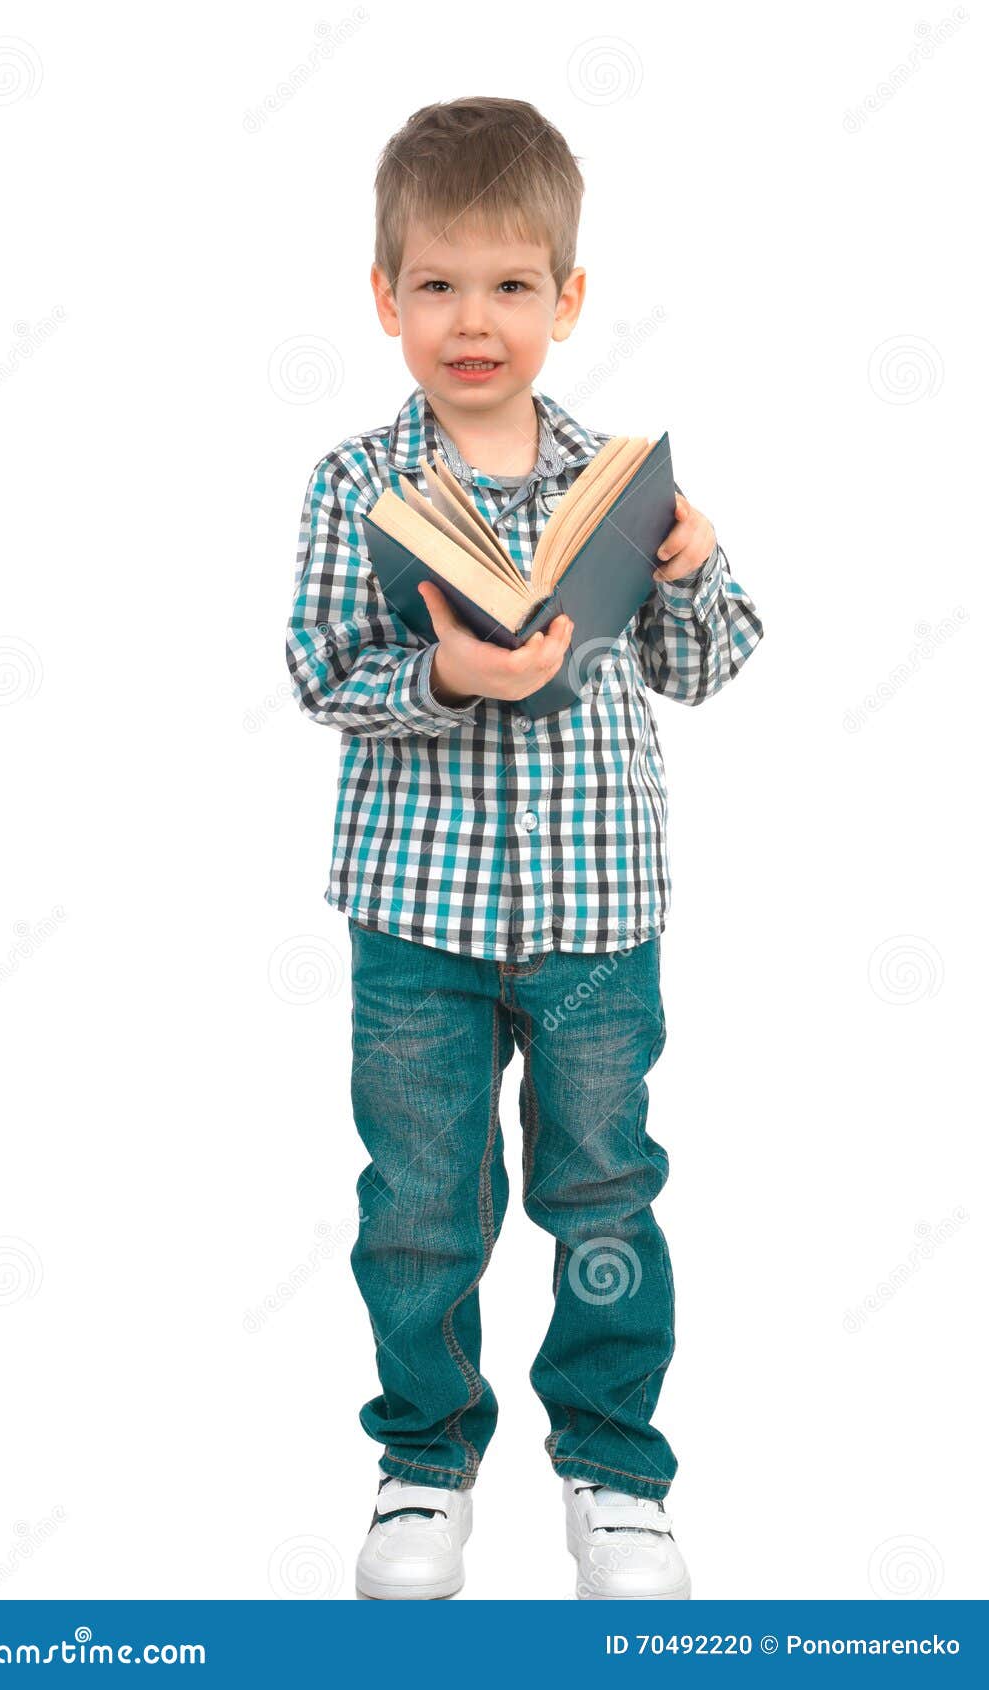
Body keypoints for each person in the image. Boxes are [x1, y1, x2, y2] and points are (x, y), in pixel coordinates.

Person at [285, 96, 764, 1600]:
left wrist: (695, 562)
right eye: (436, 285)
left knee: (604, 1190)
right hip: (413, 921)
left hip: (596, 917)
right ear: (386, 299)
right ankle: (424, 1461)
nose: (471, 320)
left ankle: (615, 1470)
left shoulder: (623, 484)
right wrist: (442, 678)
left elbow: (710, 662)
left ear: (565, 297)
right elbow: (317, 668)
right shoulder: (358, 484)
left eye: (507, 286)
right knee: (420, 1202)